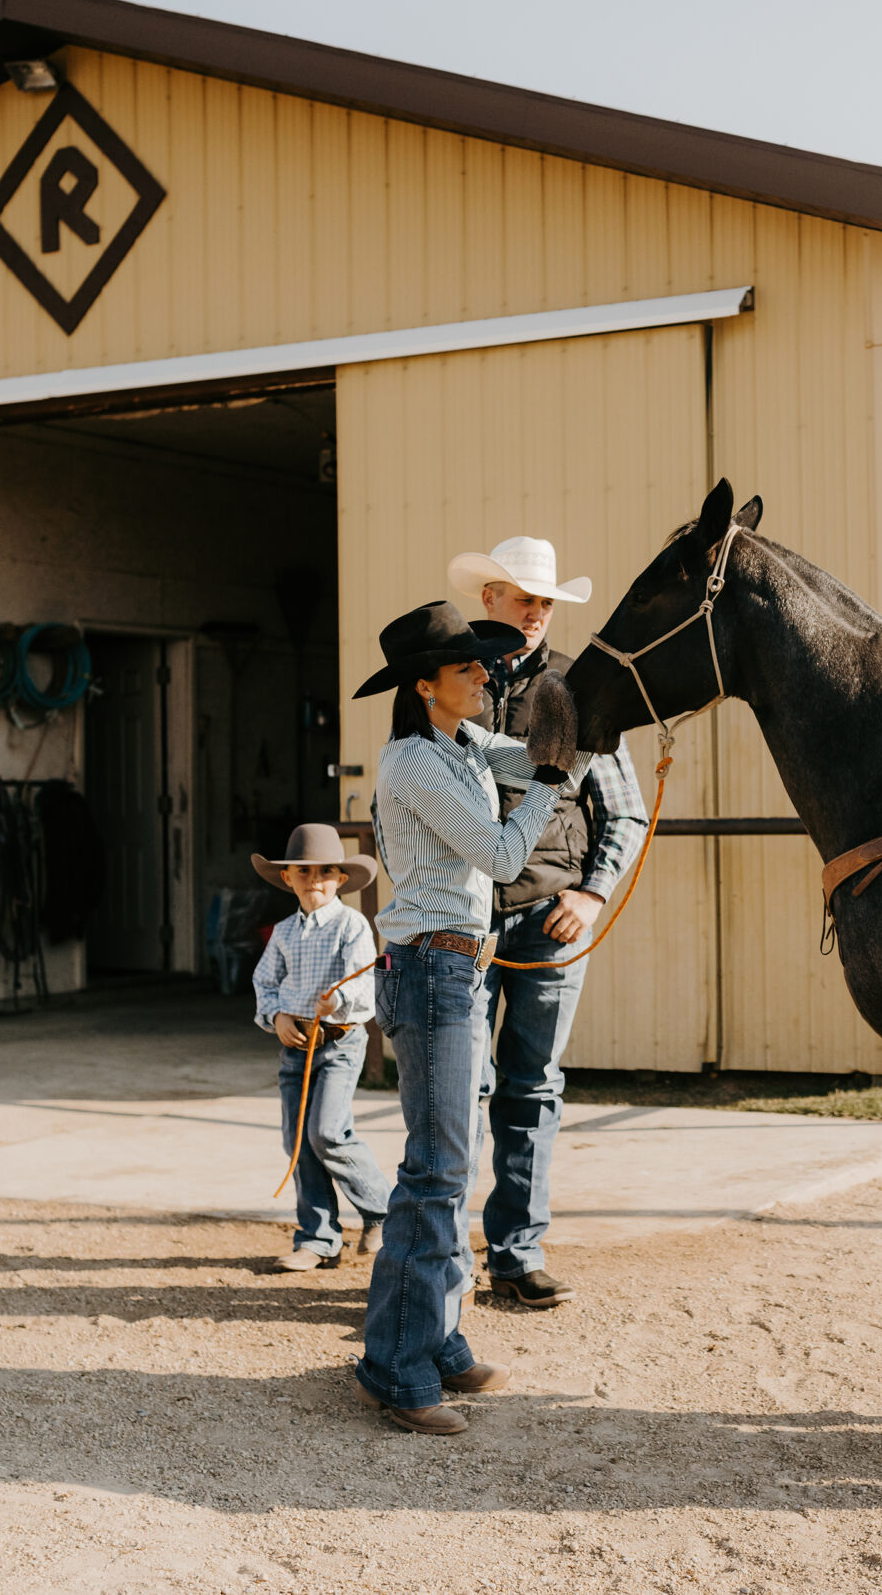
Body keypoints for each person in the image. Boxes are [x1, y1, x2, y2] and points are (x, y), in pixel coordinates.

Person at [352, 600, 586, 1435]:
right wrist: (550, 789)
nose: (487, 676)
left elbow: (541, 758)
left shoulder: (463, 745)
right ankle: (397, 1363)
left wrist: (582, 727)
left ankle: (438, 1336)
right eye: (468, 668)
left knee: (453, 1158)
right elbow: (499, 853)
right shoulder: (413, 763)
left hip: (455, 964)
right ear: (425, 687)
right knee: (437, 1168)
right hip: (430, 969)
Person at [446, 536, 648, 1310]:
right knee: (460, 1090)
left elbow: (623, 809)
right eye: (521, 597)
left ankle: (516, 1255)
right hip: (460, 923)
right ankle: (445, 1260)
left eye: (544, 601)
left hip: (550, 916)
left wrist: (591, 895)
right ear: (489, 599)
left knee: (531, 1088)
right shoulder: (445, 679)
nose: (534, 612)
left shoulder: (579, 691)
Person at [247, 825, 387, 1272]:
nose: (315, 880)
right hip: (295, 1047)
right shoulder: (285, 932)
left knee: (326, 1131)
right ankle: (319, 1237)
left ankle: (384, 1212)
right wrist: (278, 1017)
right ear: (287, 878)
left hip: (339, 1042)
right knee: (298, 1142)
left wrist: (337, 999)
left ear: (341, 878)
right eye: (304, 872)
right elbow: (264, 983)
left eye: (326, 871)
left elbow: (363, 984)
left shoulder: (352, 926)